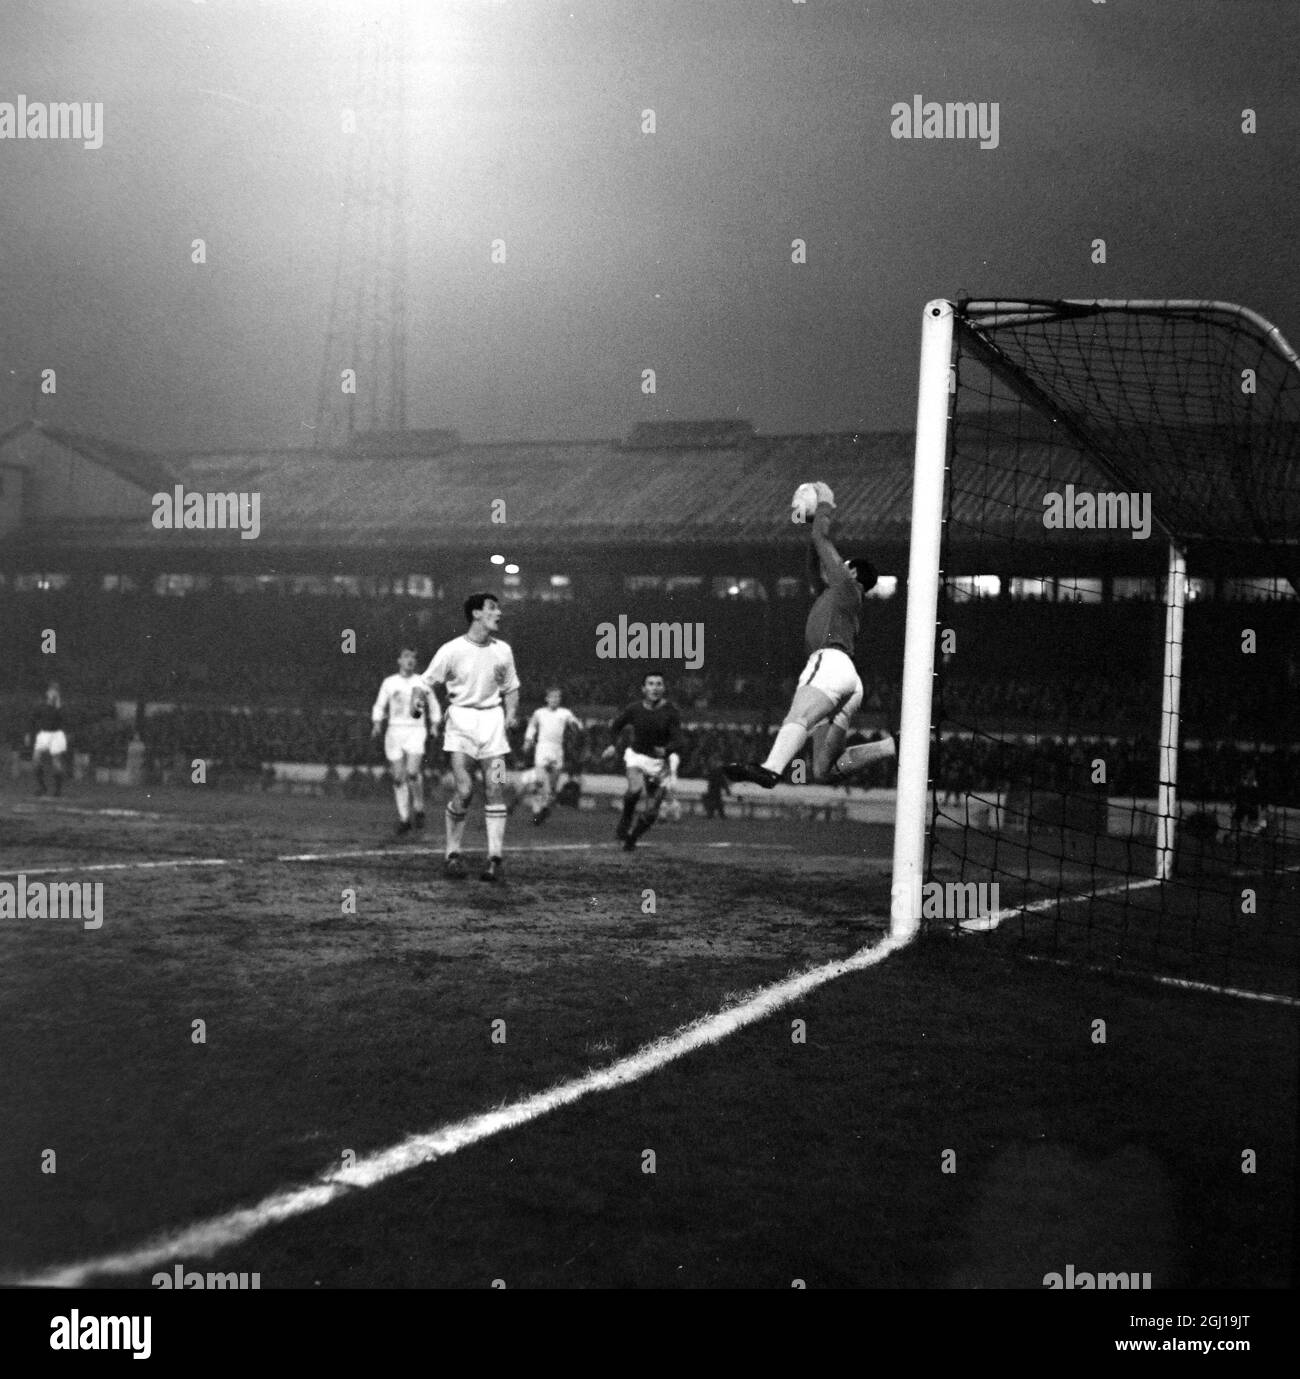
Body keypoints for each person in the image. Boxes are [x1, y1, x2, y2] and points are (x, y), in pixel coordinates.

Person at [727, 492, 895, 788]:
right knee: (823, 769)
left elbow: (821, 539)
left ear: (852, 570)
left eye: (842, 564)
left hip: (829, 663)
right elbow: (812, 566)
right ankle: (890, 747)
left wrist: (825, 504)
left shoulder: (845, 585)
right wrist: (809, 528)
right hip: (849, 681)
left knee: (799, 715)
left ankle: (771, 768)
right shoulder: (837, 596)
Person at [421, 593, 520, 883]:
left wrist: (512, 712)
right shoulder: (451, 650)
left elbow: (511, 687)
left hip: (493, 724)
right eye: (492, 608)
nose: (499, 613)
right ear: (476, 614)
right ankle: (452, 854)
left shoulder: (503, 650)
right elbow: (426, 682)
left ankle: (495, 859)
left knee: (495, 787)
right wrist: (419, 703)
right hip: (461, 722)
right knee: (464, 790)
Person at [602, 672, 683, 851]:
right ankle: (625, 821)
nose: (655, 688)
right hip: (637, 757)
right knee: (635, 790)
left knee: (652, 811)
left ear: (663, 688)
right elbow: (616, 727)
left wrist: (667, 749)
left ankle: (632, 838)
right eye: (651, 684)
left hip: (660, 765)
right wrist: (612, 746)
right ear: (644, 688)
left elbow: (679, 740)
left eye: (658, 684)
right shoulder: (634, 709)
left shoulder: (671, 712)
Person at [370, 647, 436, 836]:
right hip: (394, 730)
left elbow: (433, 705)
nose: (410, 660)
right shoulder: (389, 683)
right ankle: (404, 819)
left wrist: (435, 725)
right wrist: (376, 723)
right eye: (406, 656)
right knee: (399, 778)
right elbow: (380, 705)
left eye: (413, 658)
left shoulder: (422, 682)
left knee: (413, 772)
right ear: (399, 660)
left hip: (416, 729)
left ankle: (419, 806)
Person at [522, 687, 582, 825]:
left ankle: (542, 811)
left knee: (551, 789)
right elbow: (532, 727)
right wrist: (528, 741)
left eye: (557, 697)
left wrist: (577, 727)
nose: (555, 699)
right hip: (543, 749)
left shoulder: (565, 713)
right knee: (544, 785)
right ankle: (538, 813)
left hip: (557, 751)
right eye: (552, 697)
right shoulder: (539, 713)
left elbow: (575, 723)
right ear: (547, 698)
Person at [28, 683, 69, 797]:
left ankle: (58, 790)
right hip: (43, 734)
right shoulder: (41, 706)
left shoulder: (60, 706)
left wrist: (58, 704)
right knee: (36, 760)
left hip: (57, 734)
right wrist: (29, 733)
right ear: (47, 693)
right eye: (51, 691)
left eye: (55, 691)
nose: (53, 693)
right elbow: (33, 719)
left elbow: (64, 718)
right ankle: (42, 787)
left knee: (57, 762)